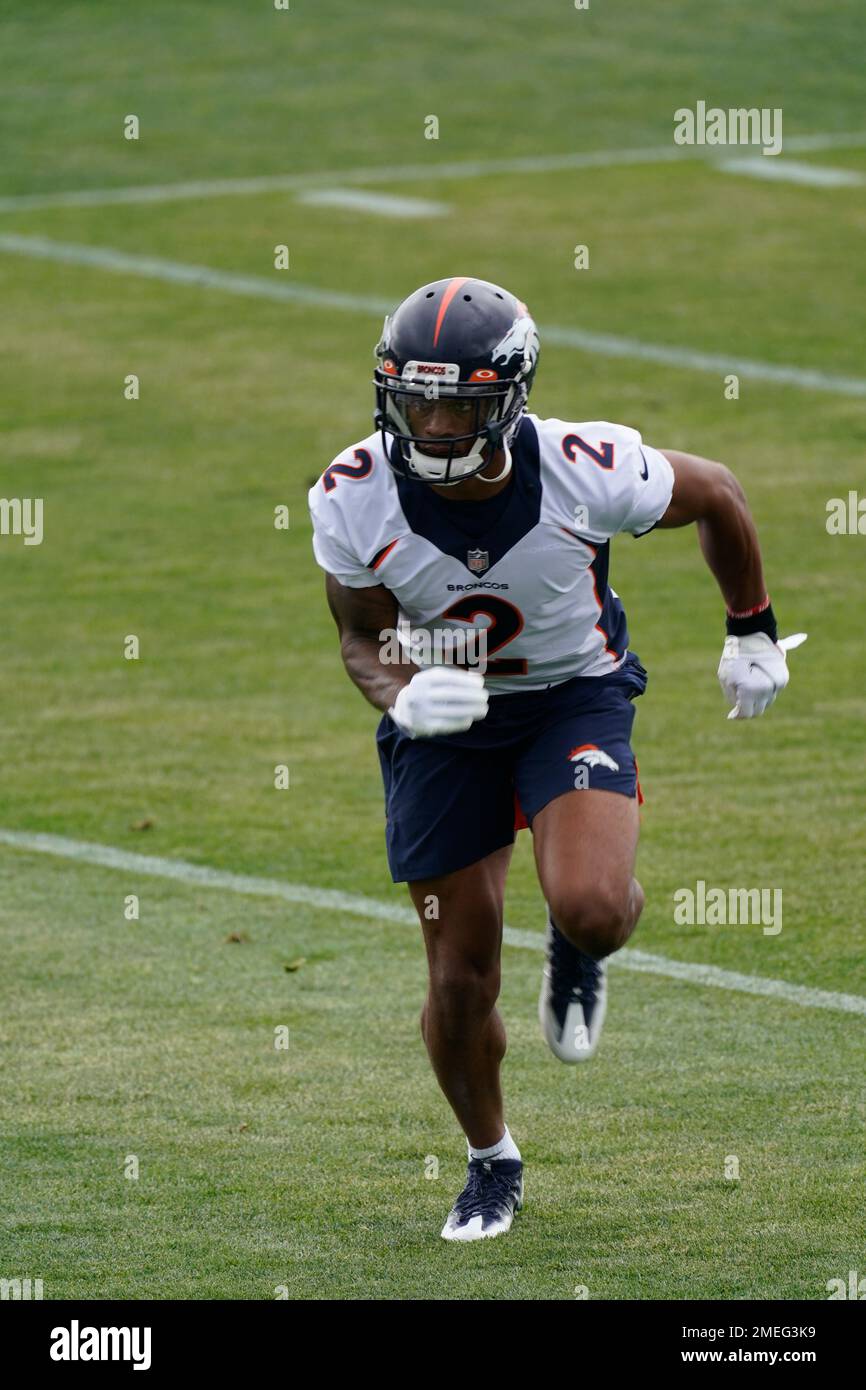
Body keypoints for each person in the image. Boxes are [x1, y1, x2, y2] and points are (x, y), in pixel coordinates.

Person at [307, 276, 804, 1242]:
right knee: (459, 978)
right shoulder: (352, 491)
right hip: (446, 720)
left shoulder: (587, 466)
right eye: (416, 399)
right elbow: (362, 634)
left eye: (461, 402)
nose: (436, 423)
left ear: (512, 398)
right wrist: (405, 689)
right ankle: (491, 1160)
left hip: (571, 696)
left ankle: (577, 951)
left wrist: (754, 626)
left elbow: (719, 494)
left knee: (595, 906)